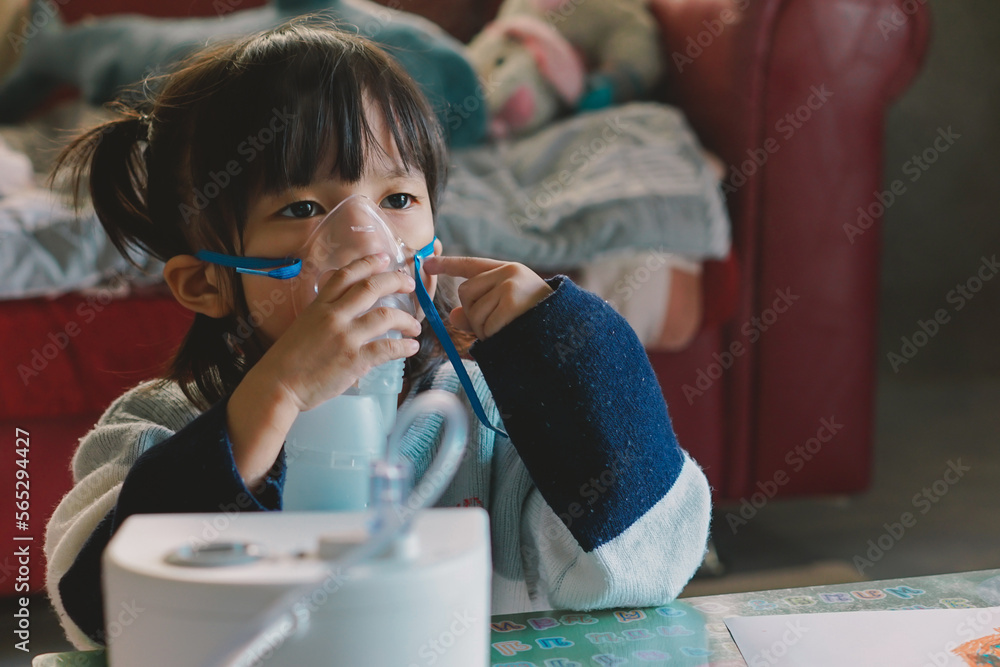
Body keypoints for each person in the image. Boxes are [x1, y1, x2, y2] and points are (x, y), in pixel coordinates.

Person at [43, 18, 713, 650]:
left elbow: (645, 566)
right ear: (207, 282)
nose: (367, 241)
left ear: (432, 246)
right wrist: (275, 399)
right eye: (303, 207)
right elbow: (100, 613)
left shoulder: (489, 423)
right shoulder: (152, 429)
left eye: (396, 199)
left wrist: (570, 349)